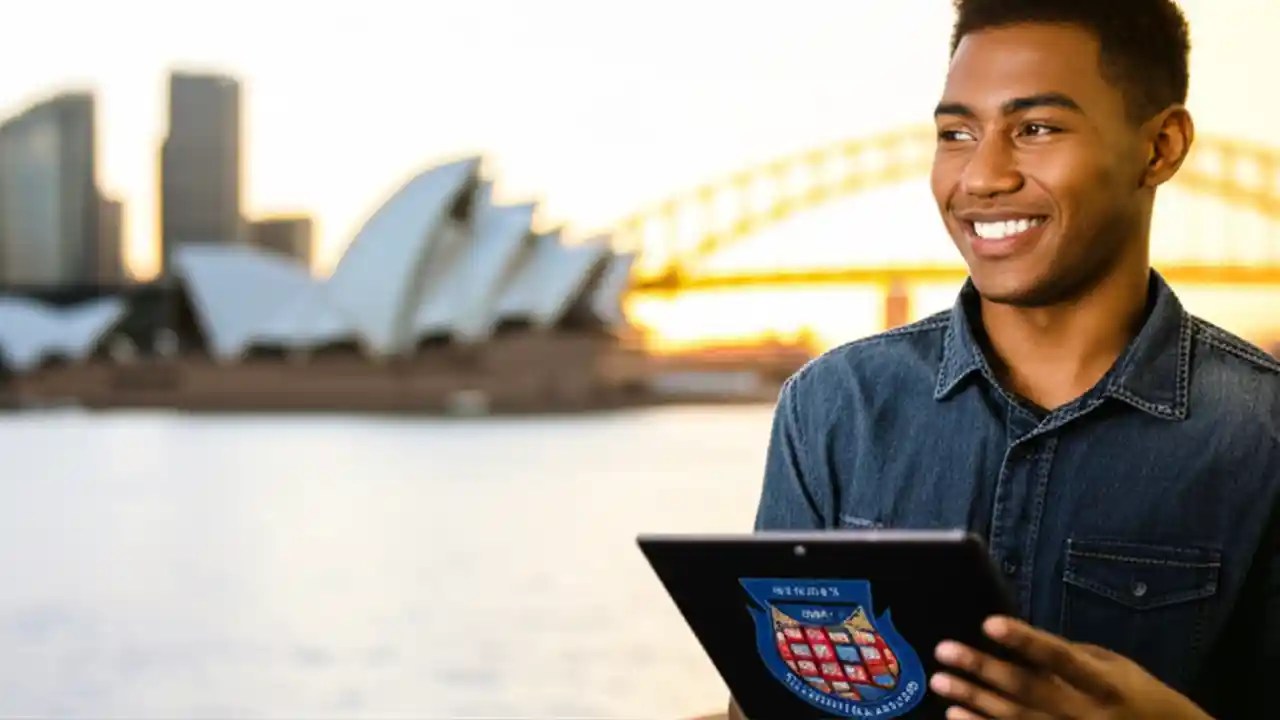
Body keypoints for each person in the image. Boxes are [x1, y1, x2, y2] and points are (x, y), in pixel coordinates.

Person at [734, 0, 1280, 717]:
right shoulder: (835, 405)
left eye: (1037, 129)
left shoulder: (1263, 432)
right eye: (956, 133)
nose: (983, 176)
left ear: (1161, 147)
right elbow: (764, 702)